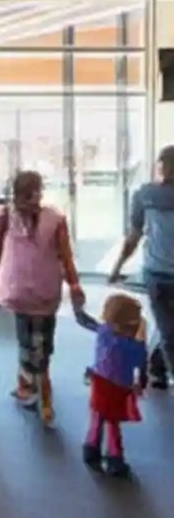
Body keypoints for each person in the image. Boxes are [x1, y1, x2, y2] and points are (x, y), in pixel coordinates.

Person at [0, 170, 85, 425]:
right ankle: (43, 396)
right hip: (44, 291)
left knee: (26, 339)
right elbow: (65, 257)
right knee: (41, 343)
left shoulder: (5, 218)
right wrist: (74, 285)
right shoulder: (54, 219)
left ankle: (26, 384)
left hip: (15, 289)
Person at [108, 144, 174, 391]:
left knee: (169, 329)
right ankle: (159, 369)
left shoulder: (145, 195)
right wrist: (117, 267)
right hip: (158, 274)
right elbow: (133, 237)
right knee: (169, 330)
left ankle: (156, 368)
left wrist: (117, 267)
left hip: (157, 273)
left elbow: (133, 237)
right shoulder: (146, 196)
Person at [75, 293, 148, 478]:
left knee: (97, 416)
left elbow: (86, 321)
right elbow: (141, 362)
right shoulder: (132, 346)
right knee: (113, 423)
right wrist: (141, 338)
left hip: (99, 381)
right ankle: (115, 459)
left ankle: (91, 448)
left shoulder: (104, 332)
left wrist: (78, 308)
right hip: (119, 388)